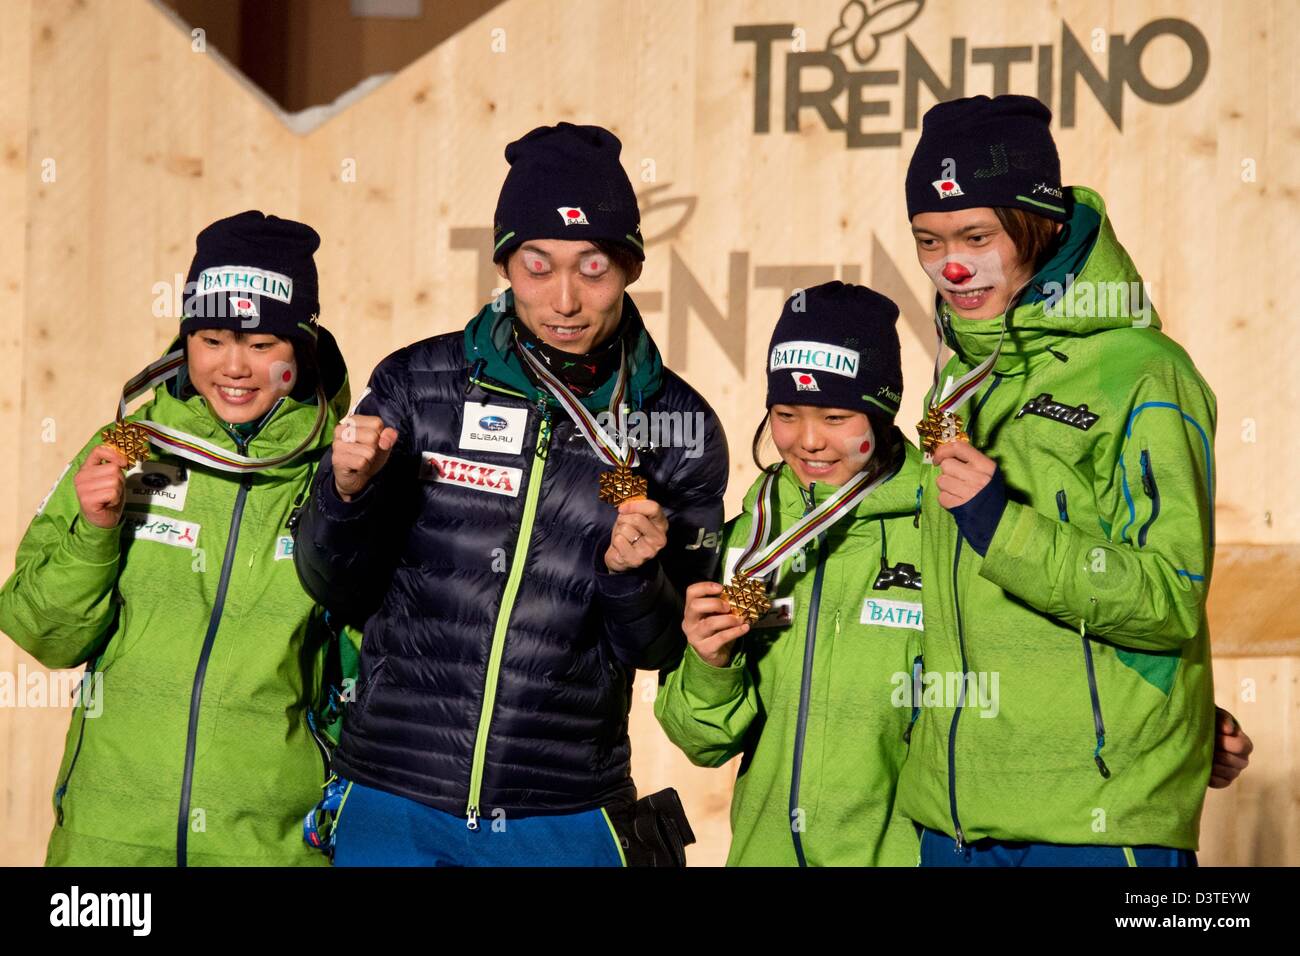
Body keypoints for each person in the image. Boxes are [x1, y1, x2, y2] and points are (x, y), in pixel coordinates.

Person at [293, 122, 728, 866]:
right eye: (537, 265)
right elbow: (331, 581)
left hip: (561, 810)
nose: (564, 298)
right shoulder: (416, 384)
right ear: (505, 264)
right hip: (393, 795)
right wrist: (344, 496)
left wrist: (633, 578)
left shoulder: (678, 427)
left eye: (592, 267)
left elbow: (658, 650)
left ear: (627, 265)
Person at [897, 94, 1237, 865]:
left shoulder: (1145, 373)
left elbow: (1168, 598)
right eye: (929, 239)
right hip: (953, 824)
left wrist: (1001, 522)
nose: (953, 265)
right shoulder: (958, 382)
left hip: (1095, 822)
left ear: (1042, 223)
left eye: (977, 235)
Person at [0, 212, 354, 865]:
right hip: (109, 842)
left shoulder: (335, 475)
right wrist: (94, 533)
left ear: (300, 350)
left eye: (262, 344)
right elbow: (42, 631)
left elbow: (374, 668)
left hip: (267, 847)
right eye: (213, 339)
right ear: (185, 338)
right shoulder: (127, 448)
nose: (235, 367)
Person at [655, 282, 928, 866]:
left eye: (834, 416)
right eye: (785, 414)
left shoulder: (940, 530)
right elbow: (701, 742)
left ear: (880, 414)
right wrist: (710, 666)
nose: (808, 441)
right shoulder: (747, 541)